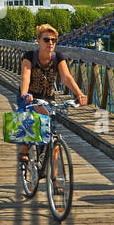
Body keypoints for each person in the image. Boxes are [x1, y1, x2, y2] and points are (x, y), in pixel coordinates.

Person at [16, 22, 87, 164]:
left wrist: (79, 94)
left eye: (54, 40)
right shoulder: (29, 56)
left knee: (53, 142)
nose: (50, 43)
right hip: (30, 97)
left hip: (48, 98)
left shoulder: (57, 57)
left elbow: (66, 77)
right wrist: (25, 95)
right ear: (38, 41)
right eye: (46, 39)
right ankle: (24, 153)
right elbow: (26, 76)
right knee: (28, 133)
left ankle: (54, 182)